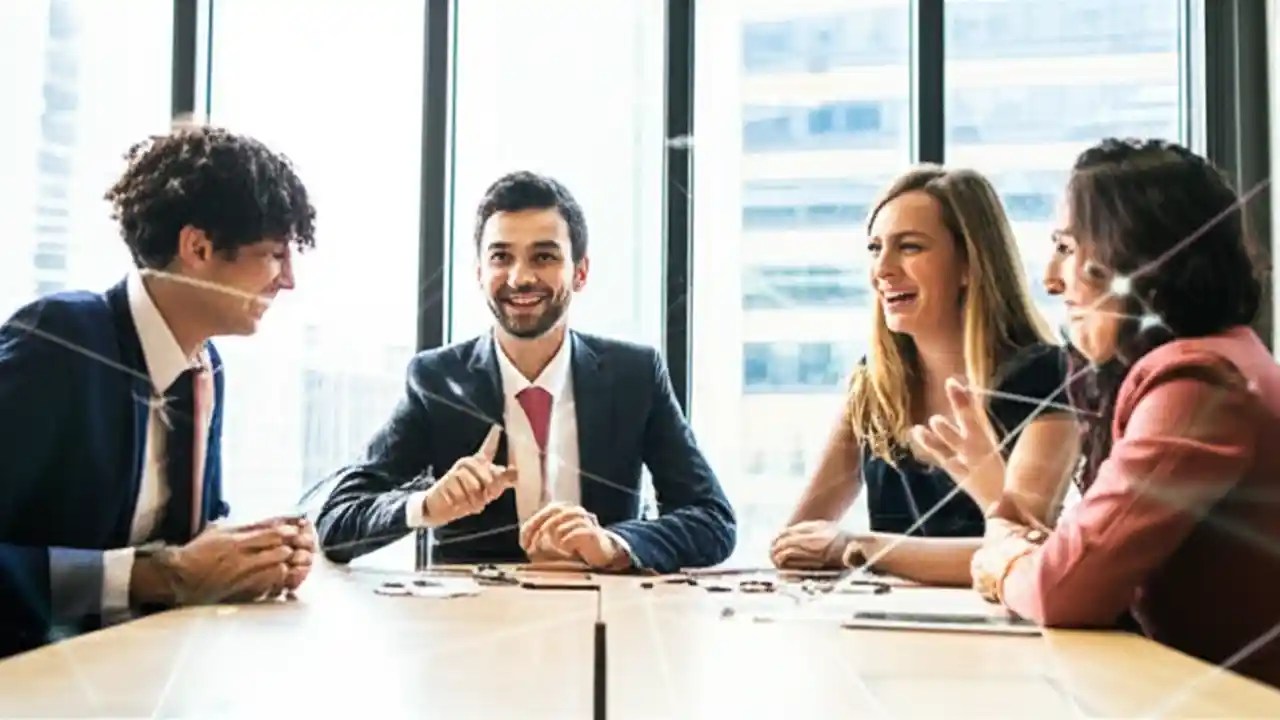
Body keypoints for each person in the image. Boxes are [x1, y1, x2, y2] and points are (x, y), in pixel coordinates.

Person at [922, 138, 1280, 688]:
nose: (1049, 278)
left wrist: (1006, 562)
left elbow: (1063, 590)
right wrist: (1007, 517)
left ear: (1133, 254)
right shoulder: (1222, 359)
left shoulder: (1197, 383)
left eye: (1067, 247)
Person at [0, 125, 318, 658]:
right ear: (197, 247)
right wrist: (154, 577)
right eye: (273, 254)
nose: (287, 280)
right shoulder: (59, 342)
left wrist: (254, 552)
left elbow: (181, 545)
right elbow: (163, 570)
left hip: (133, 673)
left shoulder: (204, 368)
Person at [315, 171, 735, 573]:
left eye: (544, 256)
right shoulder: (436, 379)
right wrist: (426, 505)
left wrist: (616, 544)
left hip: (606, 617)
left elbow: (713, 519)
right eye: (501, 257)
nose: (520, 277)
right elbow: (335, 522)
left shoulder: (636, 375)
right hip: (473, 624)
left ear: (580, 271)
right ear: (480, 273)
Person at [770, 165, 1079, 585]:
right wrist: (834, 548)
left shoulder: (1048, 378)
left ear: (970, 265)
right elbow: (796, 540)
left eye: (910, 248)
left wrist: (858, 547)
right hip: (892, 631)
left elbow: (1023, 550)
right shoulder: (873, 383)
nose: (883, 269)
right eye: (875, 248)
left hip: (1003, 632)